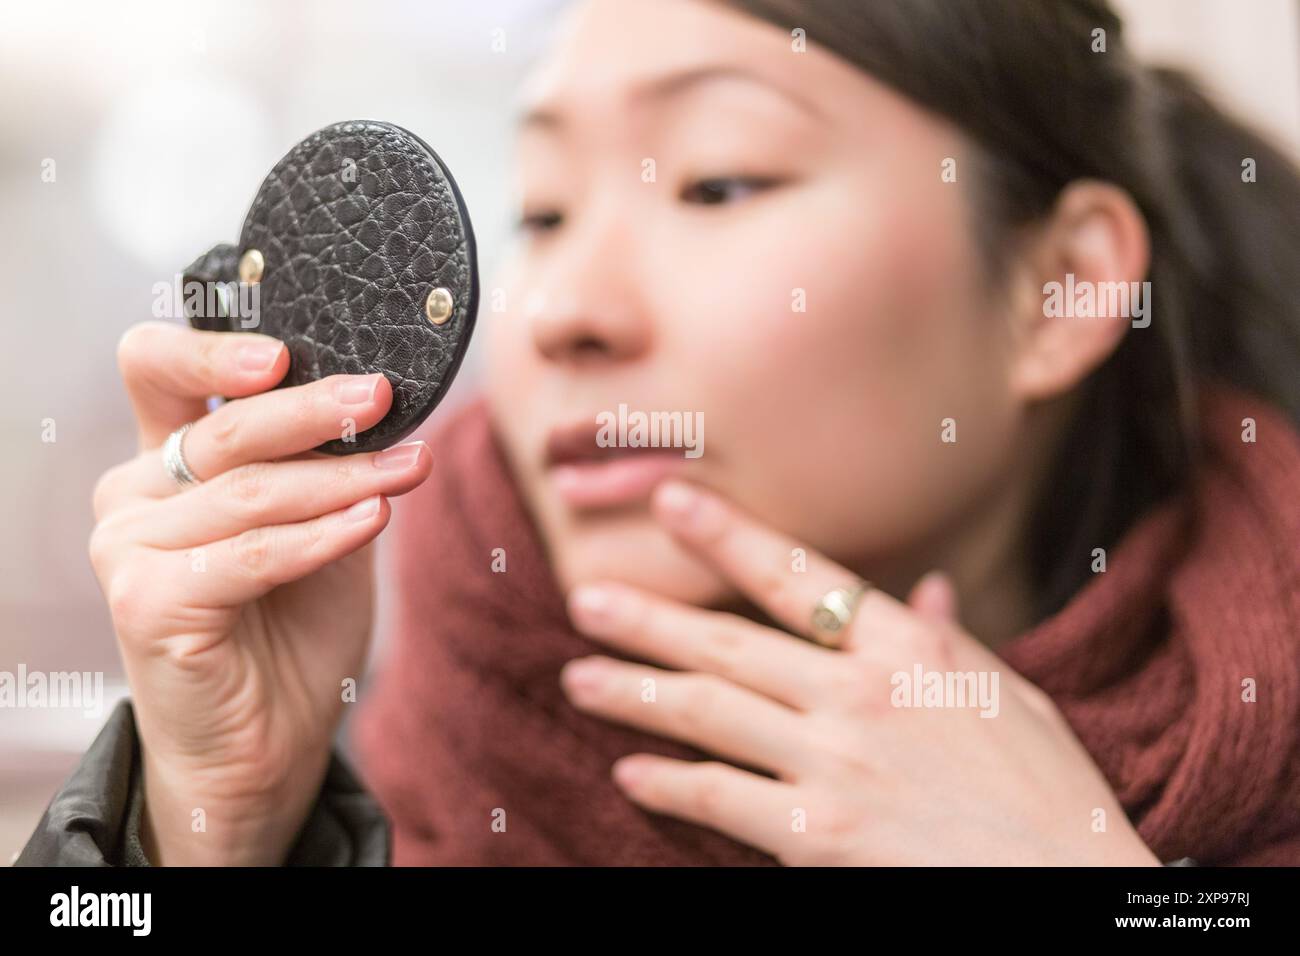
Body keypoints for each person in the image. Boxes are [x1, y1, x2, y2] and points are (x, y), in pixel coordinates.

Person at [19, 0, 1300, 867]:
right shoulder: (402, 777)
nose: (564, 309)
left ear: (1057, 289)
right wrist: (214, 821)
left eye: (716, 181)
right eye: (546, 212)